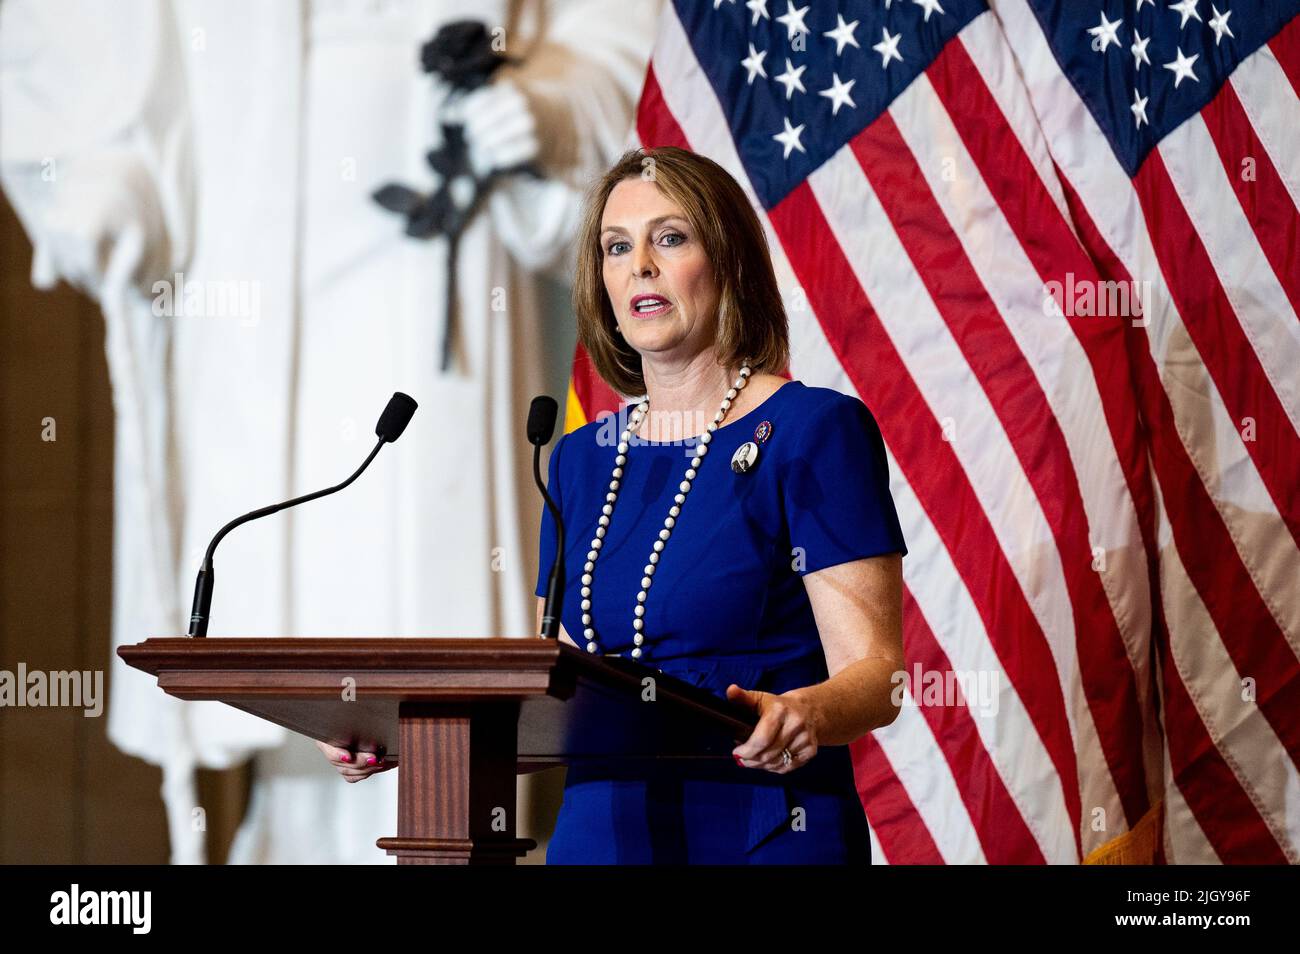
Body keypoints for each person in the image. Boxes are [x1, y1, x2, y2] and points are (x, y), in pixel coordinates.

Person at [1, 0, 657, 863]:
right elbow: (86, 37)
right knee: (275, 590)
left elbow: (613, 37)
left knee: (438, 617)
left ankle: (440, 820)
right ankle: (295, 832)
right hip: (250, 263)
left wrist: (549, 113)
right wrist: (98, 168)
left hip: (441, 286)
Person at [328, 145, 909, 863]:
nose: (640, 265)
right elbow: (562, 699)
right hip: (602, 833)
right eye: (616, 246)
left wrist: (804, 712)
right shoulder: (577, 460)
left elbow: (879, 676)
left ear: (727, 262)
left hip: (762, 824)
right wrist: (412, 740)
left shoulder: (812, 432)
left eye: (670, 238)